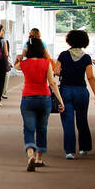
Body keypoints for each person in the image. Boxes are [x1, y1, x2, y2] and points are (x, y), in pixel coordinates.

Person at [18, 34, 63, 171]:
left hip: (28, 98)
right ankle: (39, 158)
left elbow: (15, 66)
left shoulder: (24, 64)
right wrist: (61, 100)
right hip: (44, 98)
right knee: (42, 128)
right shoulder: (46, 63)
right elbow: (53, 83)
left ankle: (30, 154)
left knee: (28, 128)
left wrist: (22, 55)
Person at [56, 29, 95, 159]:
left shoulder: (63, 55)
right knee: (82, 120)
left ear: (69, 40)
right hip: (81, 91)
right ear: (84, 41)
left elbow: (56, 71)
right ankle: (84, 148)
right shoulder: (86, 57)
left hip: (65, 90)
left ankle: (70, 151)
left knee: (68, 121)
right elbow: (90, 77)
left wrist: (66, 72)